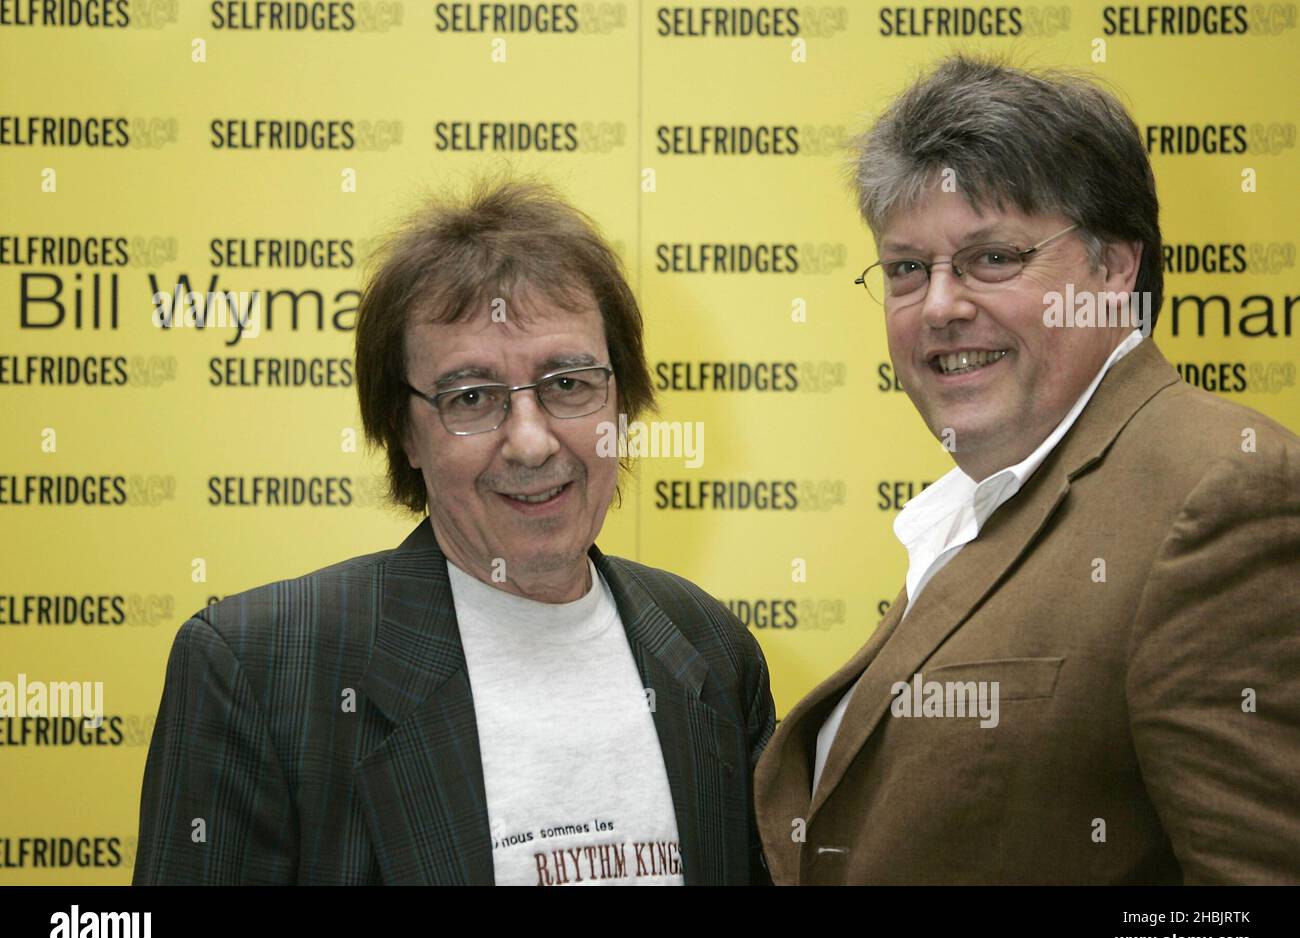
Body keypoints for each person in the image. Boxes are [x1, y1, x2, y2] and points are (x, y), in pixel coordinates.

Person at [134, 177, 776, 885]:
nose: (531, 442)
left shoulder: (714, 654)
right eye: (471, 397)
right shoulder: (259, 670)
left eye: (568, 384)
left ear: (621, 401)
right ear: (405, 431)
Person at [755, 55, 1300, 884]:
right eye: (907, 268)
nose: (939, 305)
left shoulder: (1225, 492)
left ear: (1115, 269)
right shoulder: (985, 501)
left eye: (993, 258)